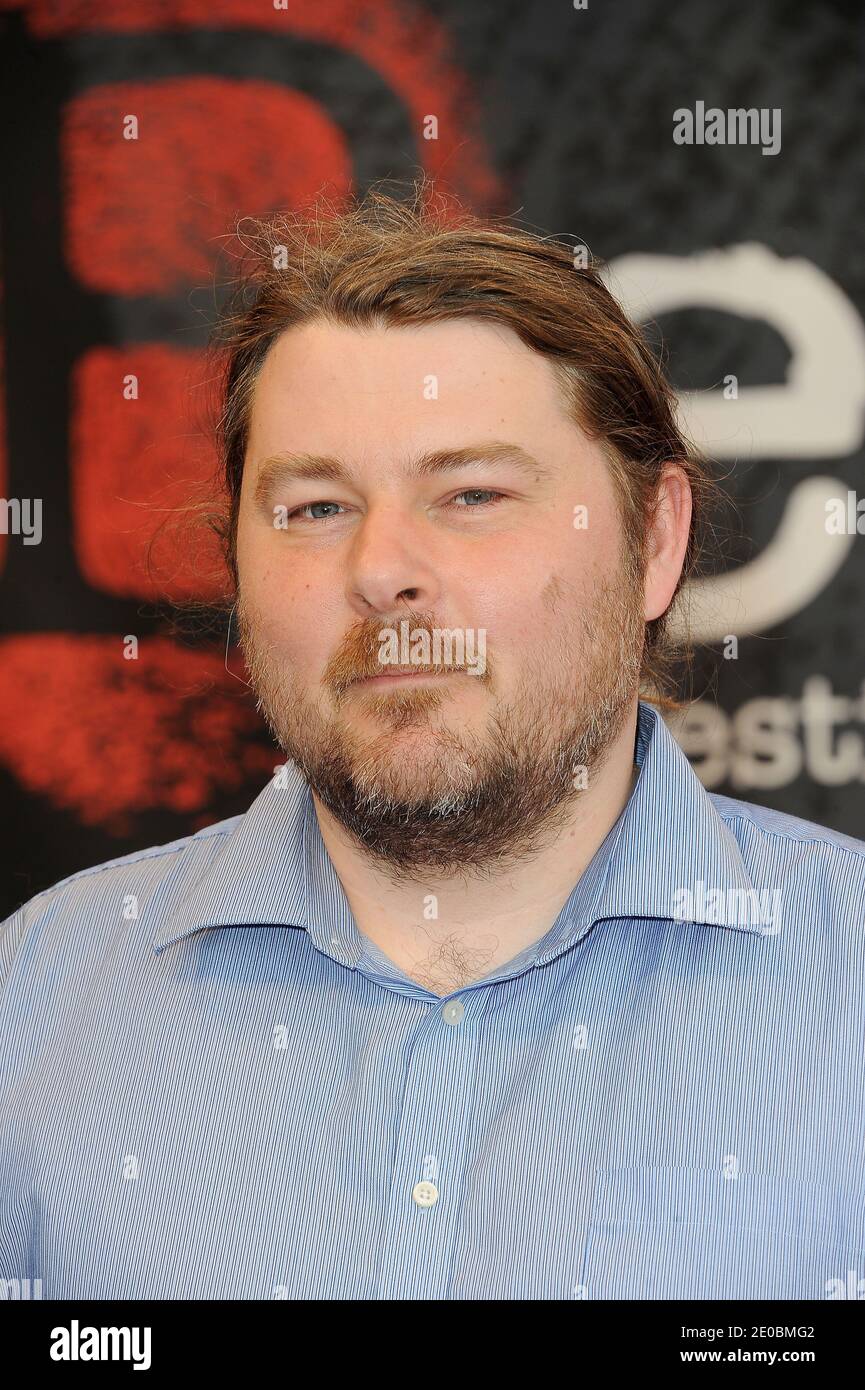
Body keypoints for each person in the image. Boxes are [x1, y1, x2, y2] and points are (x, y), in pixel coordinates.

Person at [1, 184, 863, 1301]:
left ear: (654, 540)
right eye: (315, 507)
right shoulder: (36, 1010)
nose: (381, 568)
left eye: (469, 492)